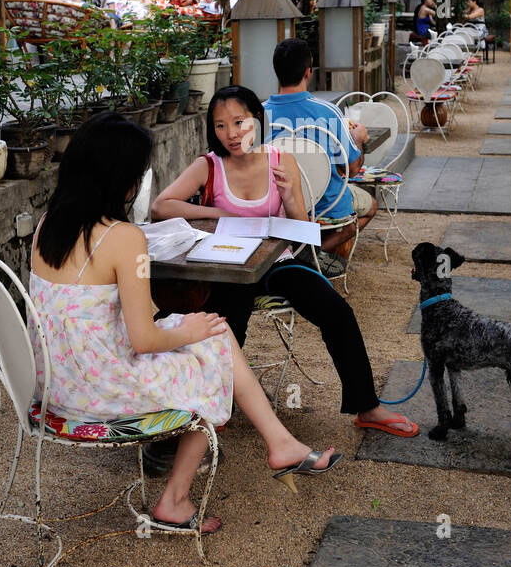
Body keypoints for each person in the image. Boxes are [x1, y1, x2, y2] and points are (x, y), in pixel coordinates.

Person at [30, 112, 340, 533]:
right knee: (210, 350)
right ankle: (176, 499)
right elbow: (143, 338)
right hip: (99, 394)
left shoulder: (47, 226)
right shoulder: (122, 237)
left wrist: (190, 327)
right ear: (120, 178)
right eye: (138, 174)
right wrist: (189, 332)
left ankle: (281, 443)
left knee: (211, 329)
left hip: (55, 384)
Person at [151, 86, 419, 438]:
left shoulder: (279, 159)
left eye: (239, 122)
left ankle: (367, 406)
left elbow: (302, 230)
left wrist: (291, 195)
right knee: (225, 326)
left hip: (277, 264)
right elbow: (161, 206)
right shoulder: (209, 165)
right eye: (220, 125)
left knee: (336, 312)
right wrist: (216, 211)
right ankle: (204, 409)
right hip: (227, 269)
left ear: (256, 120)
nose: (231, 134)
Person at [263, 39, 377, 261]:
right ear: (308, 72)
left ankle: (306, 253)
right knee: (371, 205)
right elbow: (353, 170)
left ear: (277, 72)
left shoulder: (259, 115)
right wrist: (358, 138)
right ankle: (318, 255)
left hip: (279, 207)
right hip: (327, 206)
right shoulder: (329, 112)